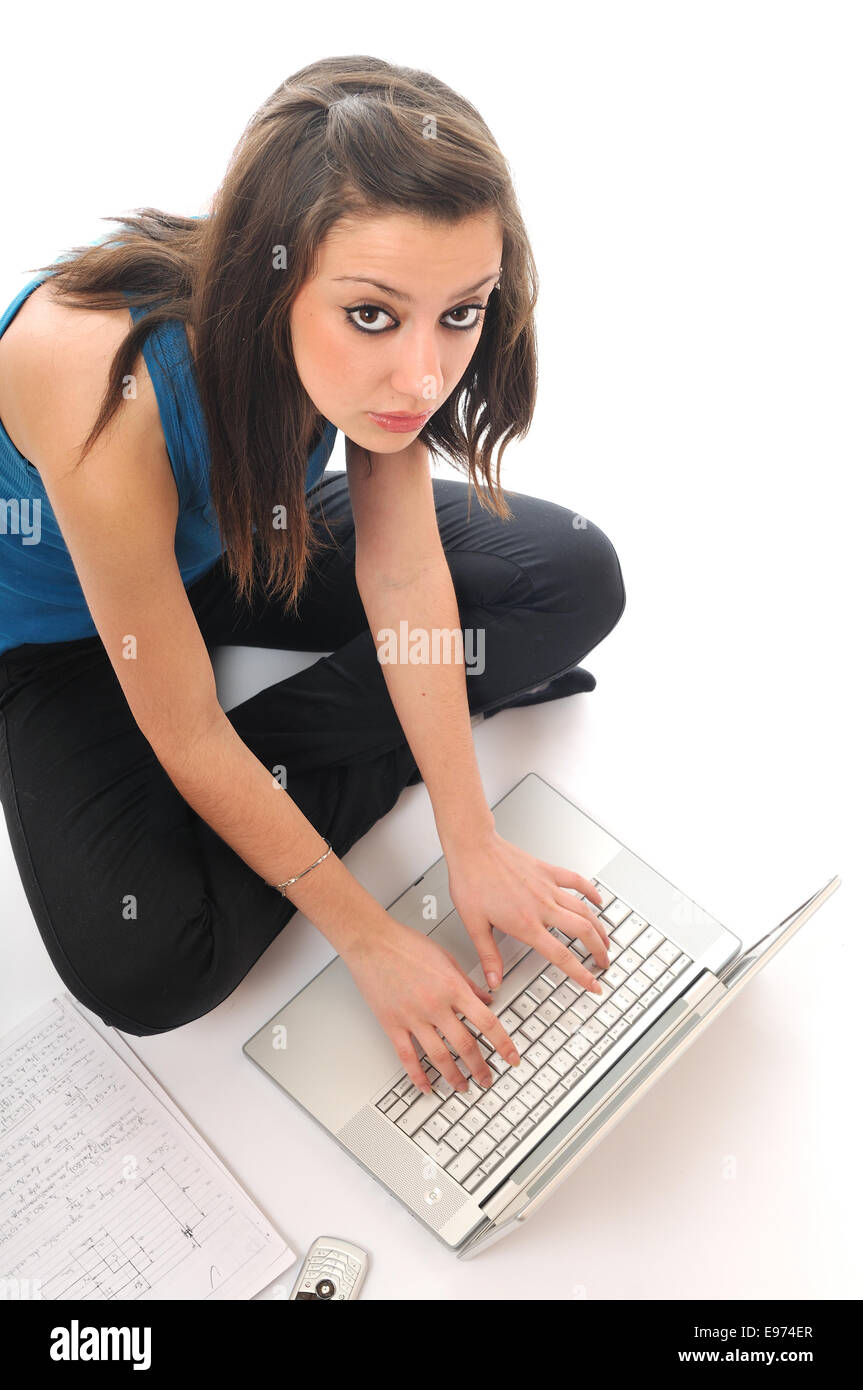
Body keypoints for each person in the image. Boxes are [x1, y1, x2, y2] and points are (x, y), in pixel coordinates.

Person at [0, 56, 625, 1103]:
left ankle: (256, 788)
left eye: (461, 313)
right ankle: (287, 781)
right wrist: (368, 937)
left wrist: (471, 842)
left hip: (244, 543)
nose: (423, 376)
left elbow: (402, 564)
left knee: (567, 578)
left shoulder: (382, 351)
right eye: (374, 316)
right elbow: (187, 726)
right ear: (269, 273)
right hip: (69, 635)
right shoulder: (93, 376)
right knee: (148, 966)